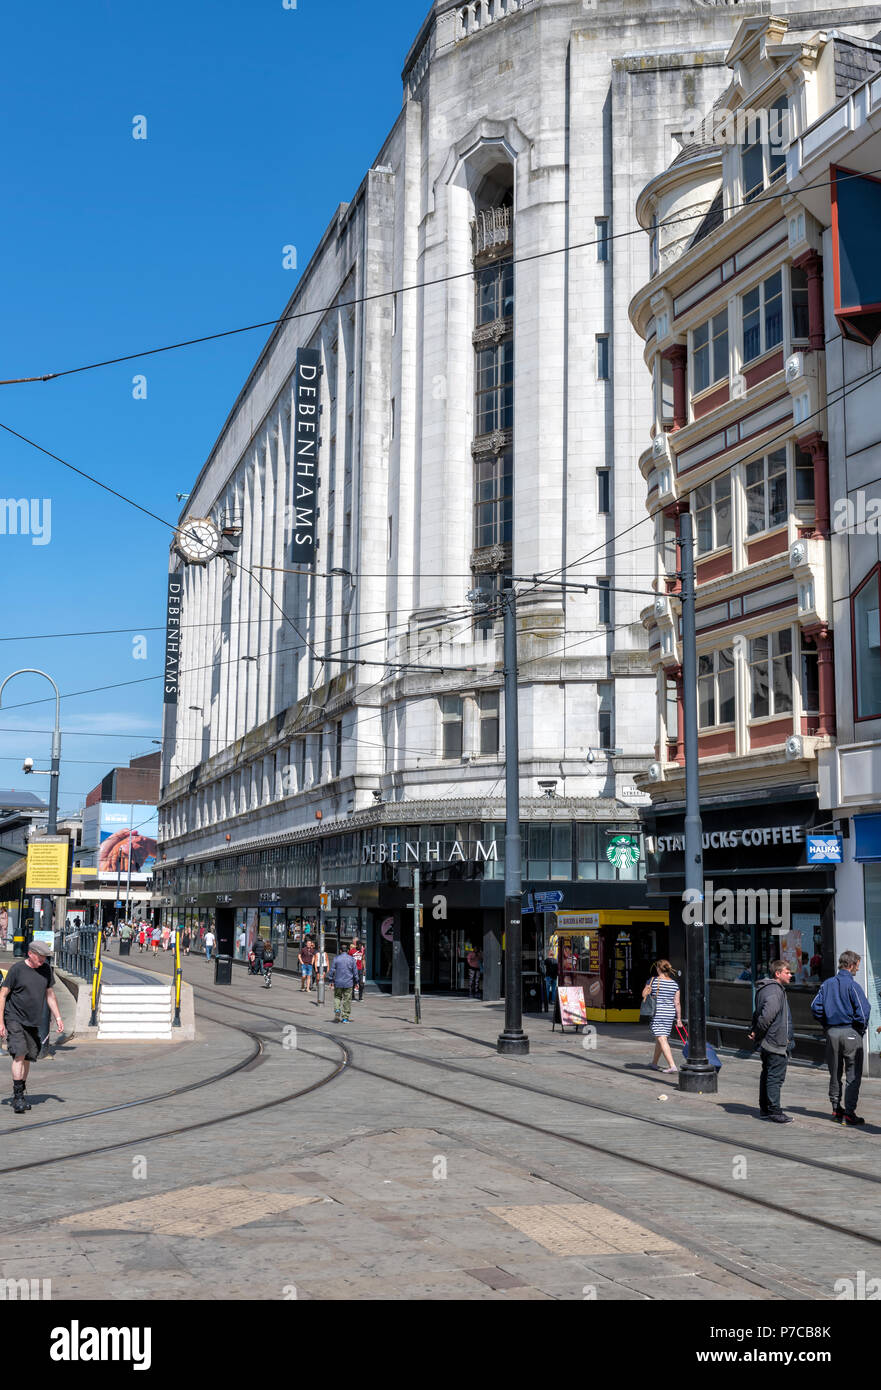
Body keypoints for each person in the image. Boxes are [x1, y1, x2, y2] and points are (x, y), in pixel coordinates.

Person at [0, 939, 64, 1115]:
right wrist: (0, 1022)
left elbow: (50, 995)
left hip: (32, 1020)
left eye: (45, 957)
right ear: (30, 954)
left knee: (28, 1057)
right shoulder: (17, 970)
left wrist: (58, 1017)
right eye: (40, 957)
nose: (43, 960)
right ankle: (18, 1096)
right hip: (14, 1017)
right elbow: (3, 994)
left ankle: (20, 1093)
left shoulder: (45, 970)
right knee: (19, 1054)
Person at [811, 949, 871, 1125]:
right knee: (853, 1074)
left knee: (835, 1073)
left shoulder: (827, 984)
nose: (857, 970)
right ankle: (849, 1112)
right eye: (857, 967)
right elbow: (864, 1011)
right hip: (850, 1031)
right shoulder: (852, 986)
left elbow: (815, 1007)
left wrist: (827, 1025)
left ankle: (836, 1108)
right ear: (851, 965)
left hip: (832, 1032)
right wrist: (859, 1030)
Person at [748, 960, 795, 1123]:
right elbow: (767, 1016)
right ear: (777, 973)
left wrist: (755, 1031)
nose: (791, 975)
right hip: (775, 1040)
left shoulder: (765, 989)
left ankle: (765, 1109)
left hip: (768, 1039)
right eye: (787, 972)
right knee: (775, 1076)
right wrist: (758, 1031)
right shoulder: (775, 991)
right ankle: (774, 1110)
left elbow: (758, 1014)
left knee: (767, 1074)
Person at [641, 960, 682, 1073]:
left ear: (658, 969)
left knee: (662, 1038)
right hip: (669, 1014)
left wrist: (648, 989)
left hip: (658, 1013)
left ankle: (672, 1065)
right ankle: (654, 1063)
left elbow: (644, 994)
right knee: (660, 1039)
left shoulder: (653, 981)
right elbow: (677, 1003)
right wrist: (679, 1019)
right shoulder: (674, 984)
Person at [328, 946, 359, 1023]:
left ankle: (337, 1009)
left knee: (337, 997)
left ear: (340, 950)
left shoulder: (336, 959)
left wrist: (331, 980)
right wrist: (357, 982)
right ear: (348, 951)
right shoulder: (352, 959)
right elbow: (355, 972)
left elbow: (332, 970)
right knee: (347, 1000)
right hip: (348, 982)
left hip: (338, 982)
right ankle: (345, 1018)